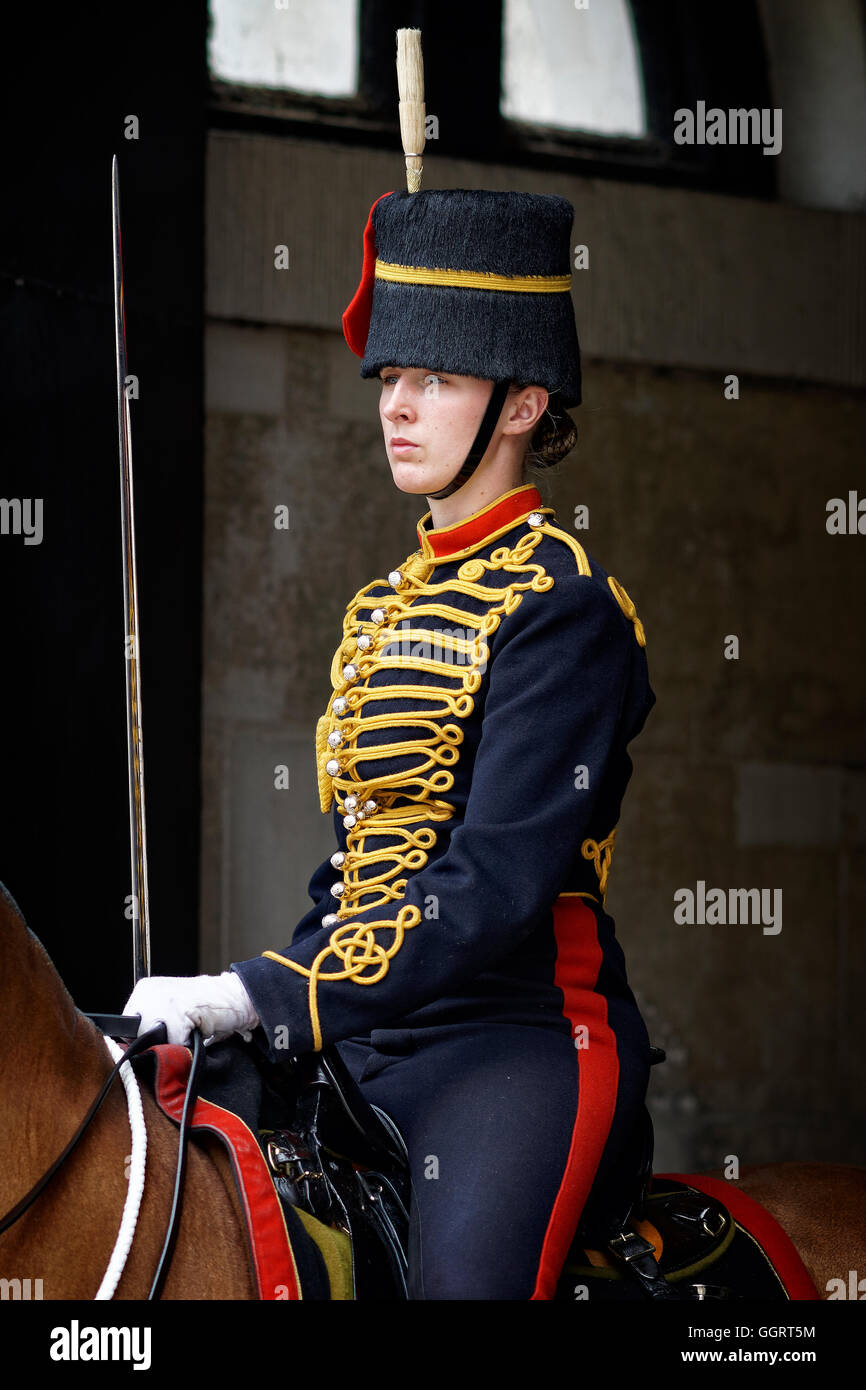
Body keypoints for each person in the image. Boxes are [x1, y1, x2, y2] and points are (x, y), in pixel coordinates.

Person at [125, 188, 656, 1300]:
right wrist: (247, 1004)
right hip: (359, 1036)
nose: (396, 407)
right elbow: (363, 867)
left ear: (519, 404)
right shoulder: (382, 609)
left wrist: (263, 992)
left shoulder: (566, 610)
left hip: (509, 1048)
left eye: (435, 380)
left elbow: (489, 887)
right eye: (390, 379)